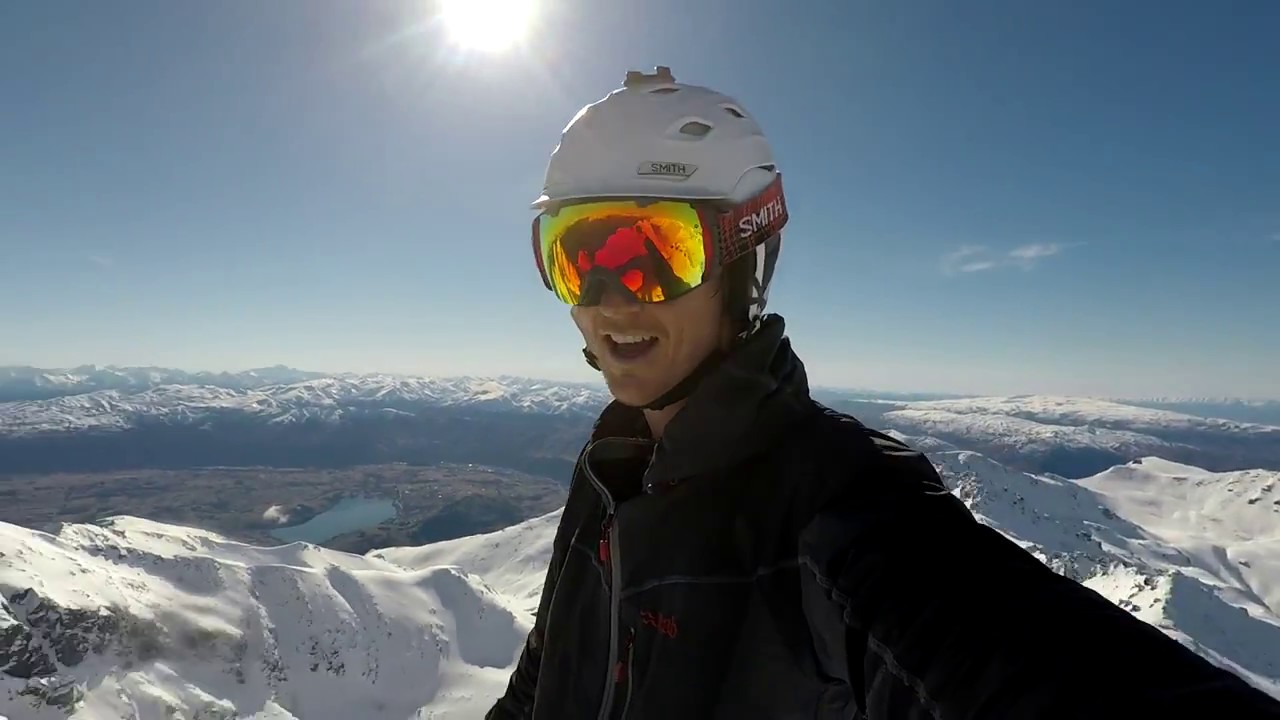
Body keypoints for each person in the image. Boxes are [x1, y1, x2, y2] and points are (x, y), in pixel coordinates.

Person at [487, 67, 1280, 719]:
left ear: (742, 264)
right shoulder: (609, 468)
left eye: (657, 252)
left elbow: (1022, 663)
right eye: (573, 255)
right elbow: (541, 682)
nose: (609, 300)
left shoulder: (844, 507)